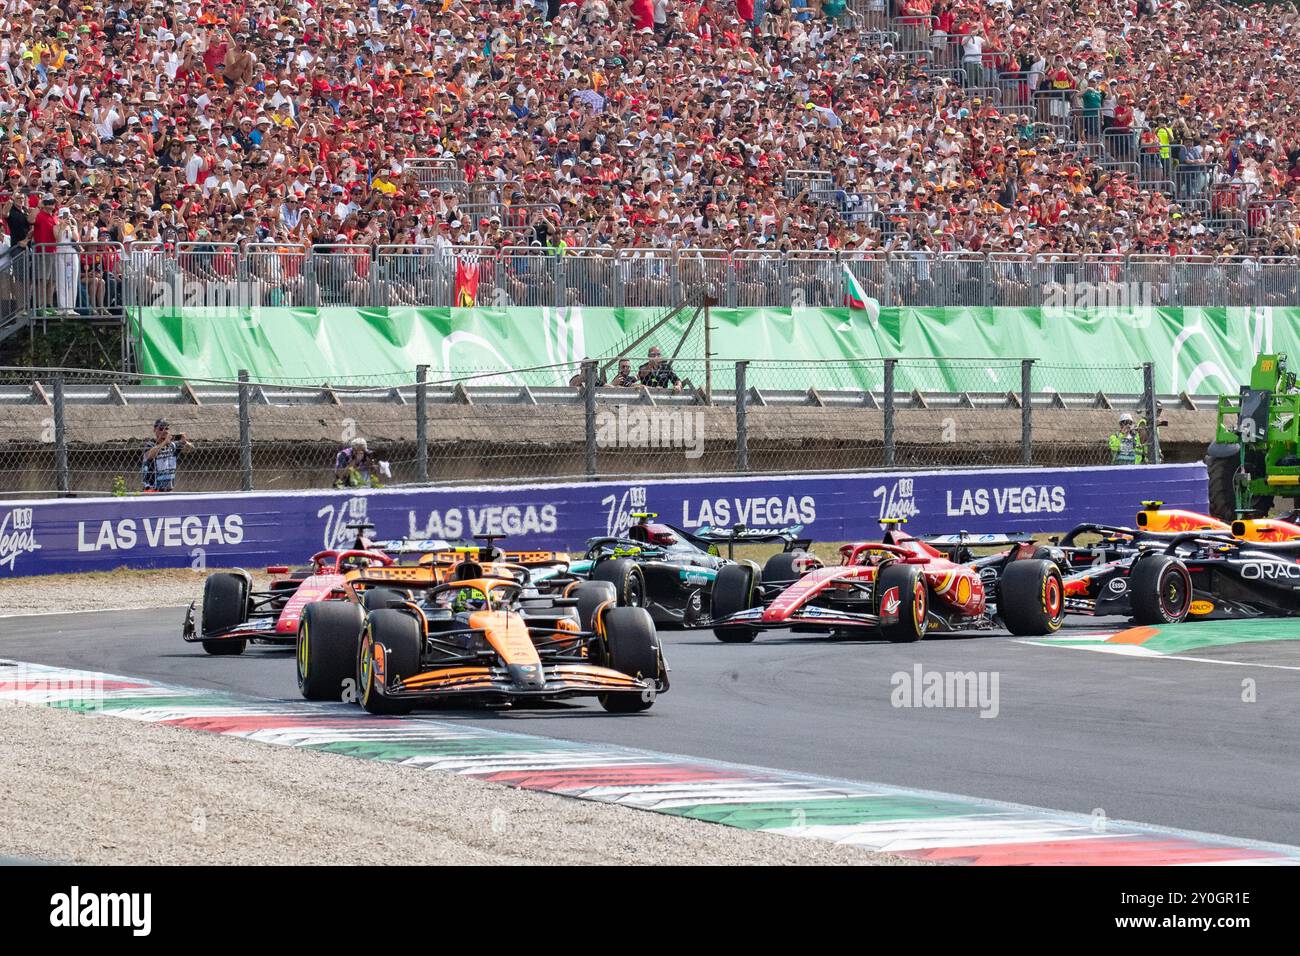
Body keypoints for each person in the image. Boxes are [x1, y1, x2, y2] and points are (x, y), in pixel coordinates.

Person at [142, 418, 192, 491]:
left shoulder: (172, 445)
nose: (164, 431)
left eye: (166, 429)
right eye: (161, 429)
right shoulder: (150, 444)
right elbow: (150, 455)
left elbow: (190, 449)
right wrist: (165, 442)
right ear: (154, 430)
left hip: (168, 488)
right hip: (152, 488)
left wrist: (185, 442)